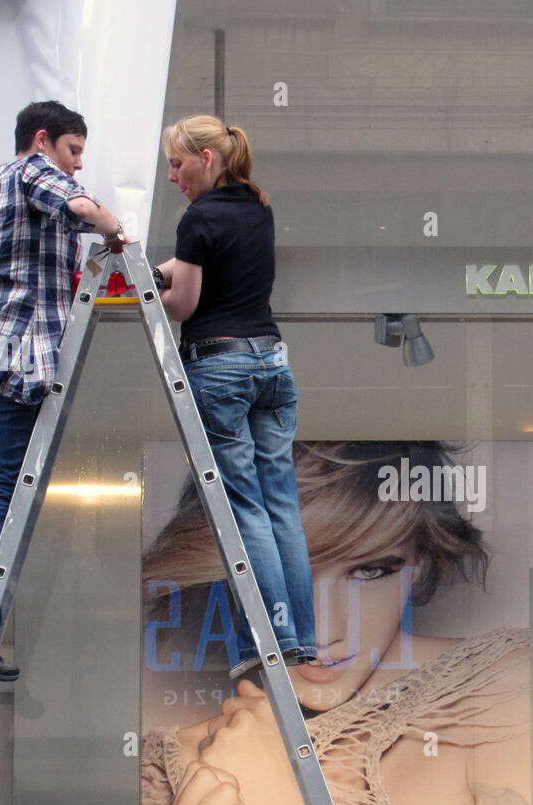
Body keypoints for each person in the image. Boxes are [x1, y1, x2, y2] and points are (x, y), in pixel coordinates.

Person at [139, 442, 533, 805]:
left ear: (419, 559)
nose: (323, 631)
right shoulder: (176, 767)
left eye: (369, 571)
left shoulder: (495, 698)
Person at [0, 101, 129, 682]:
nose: (75, 167)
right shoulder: (33, 172)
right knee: (4, 498)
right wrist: (114, 227)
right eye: (73, 152)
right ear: (42, 140)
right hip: (16, 360)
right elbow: (75, 205)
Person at [150, 114, 314, 679]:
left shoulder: (197, 218)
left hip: (219, 365)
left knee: (244, 506)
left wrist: (153, 291)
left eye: (177, 163)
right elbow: (207, 264)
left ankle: (271, 636)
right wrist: (166, 269)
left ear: (207, 160)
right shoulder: (257, 206)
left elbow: (185, 305)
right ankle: (302, 635)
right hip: (271, 362)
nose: (173, 176)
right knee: (280, 506)